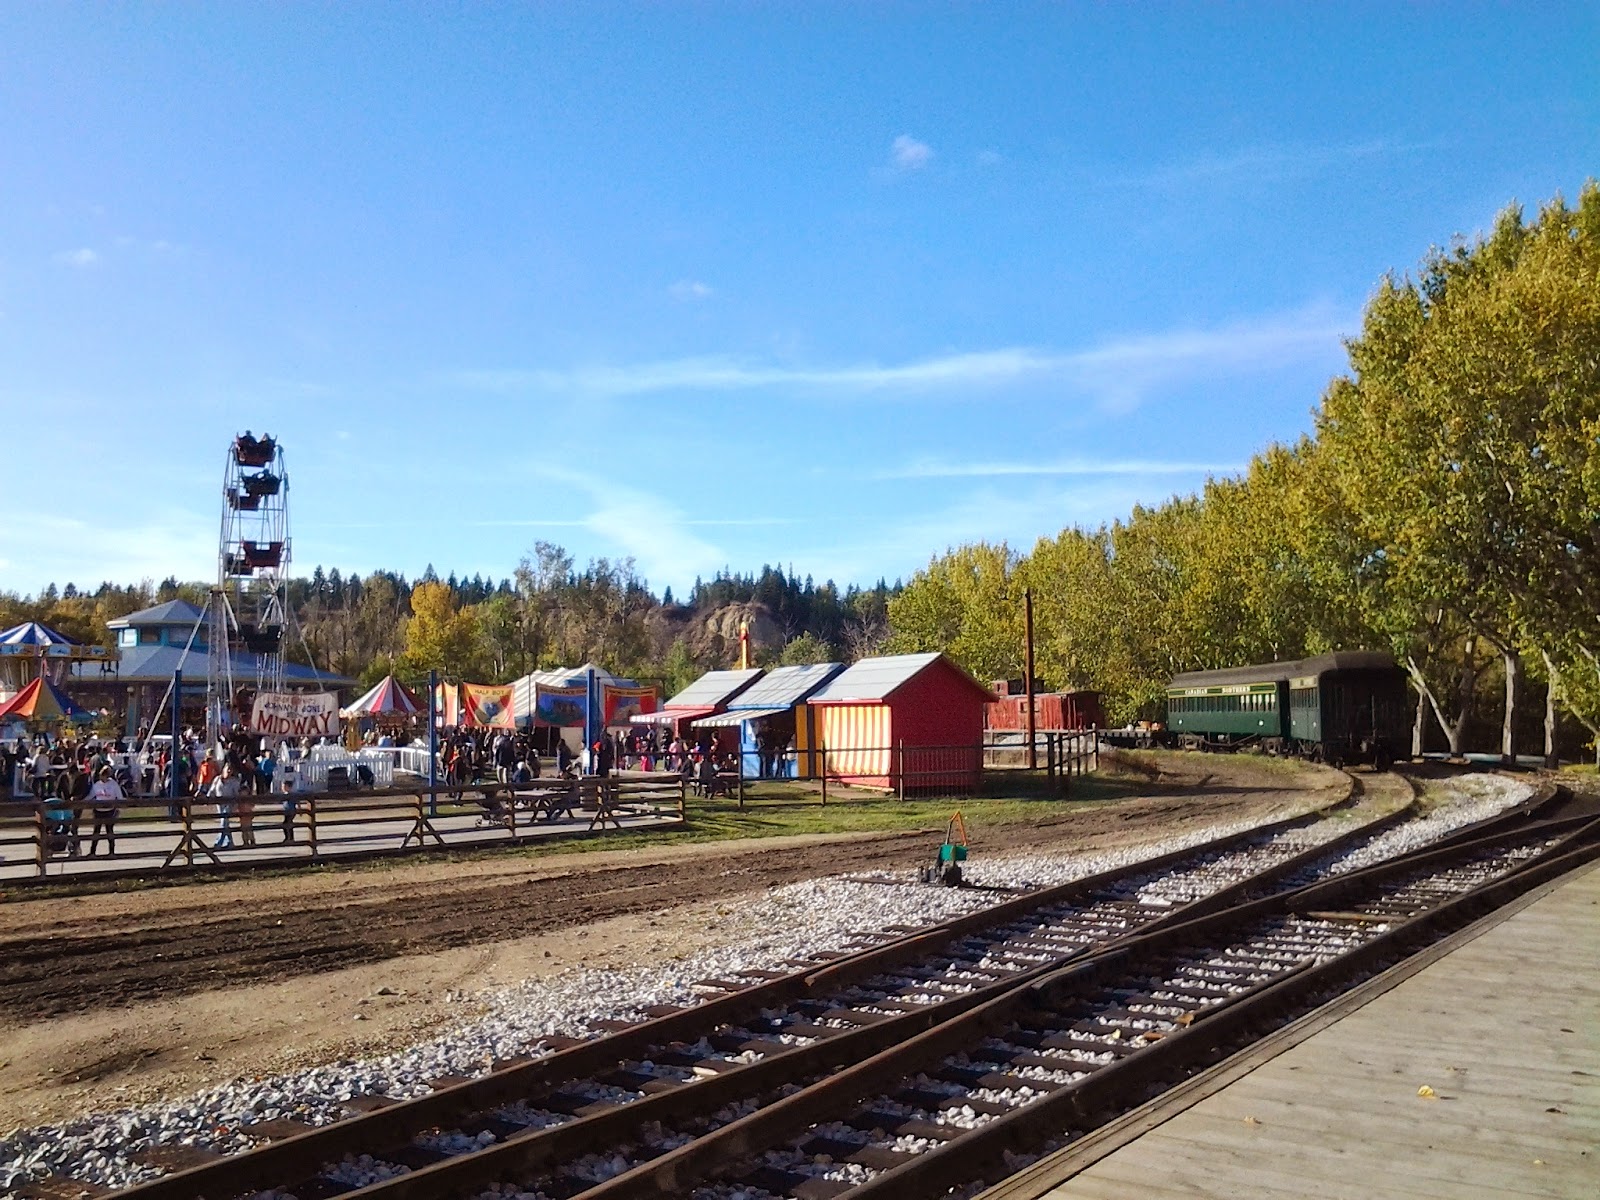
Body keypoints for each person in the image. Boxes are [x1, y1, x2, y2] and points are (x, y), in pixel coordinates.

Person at [87, 767, 124, 857]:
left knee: (109, 832)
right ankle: (92, 852)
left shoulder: (113, 785)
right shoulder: (97, 785)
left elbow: (119, 797)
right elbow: (91, 796)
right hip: (98, 811)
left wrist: (119, 807)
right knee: (96, 831)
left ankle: (111, 852)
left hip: (109, 811)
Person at [210, 764, 241, 849]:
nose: (229, 771)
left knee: (224, 821)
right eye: (228, 769)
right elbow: (212, 790)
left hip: (229, 804)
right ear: (223, 769)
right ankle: (230, 842)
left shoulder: (234, 781)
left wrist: (236, 805)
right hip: (219, 804)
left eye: (231, 770)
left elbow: (237, 794)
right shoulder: (217, 779)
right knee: (225, 823)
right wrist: (208, 798)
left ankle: (219, 842)